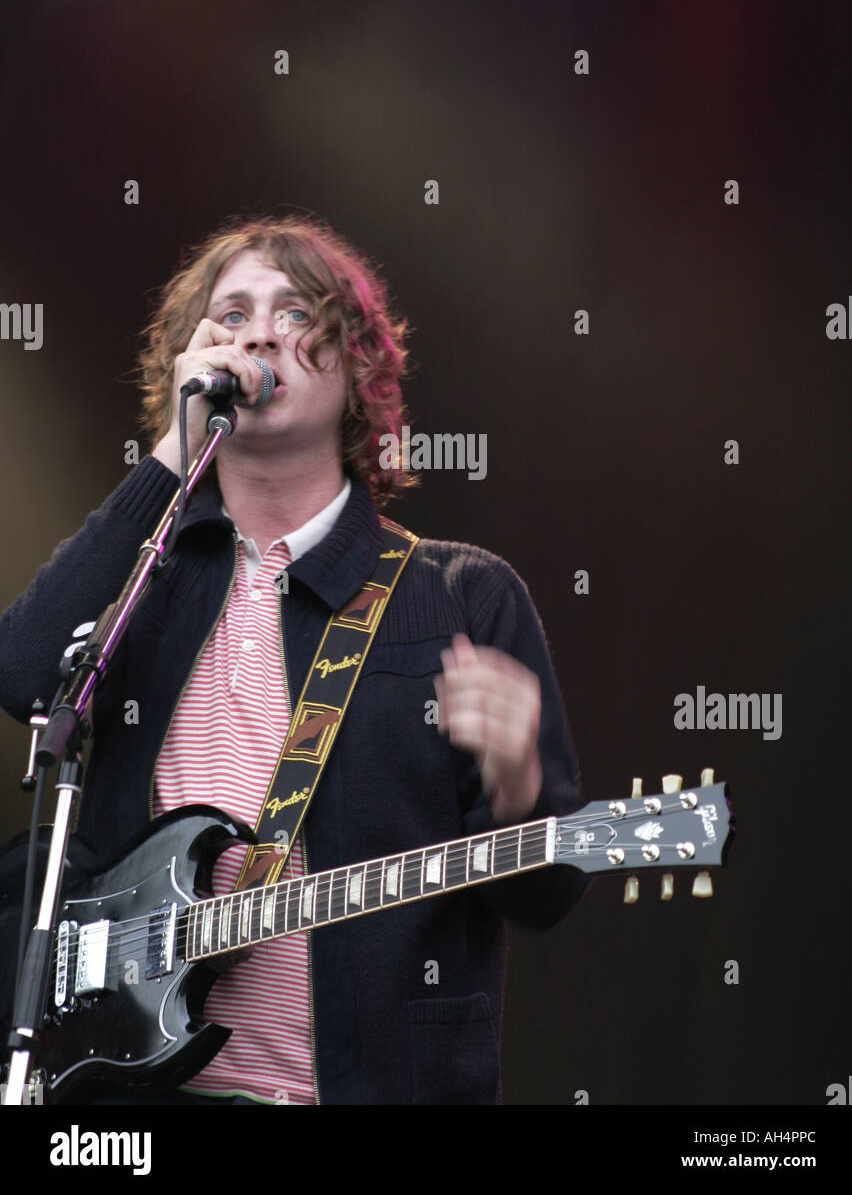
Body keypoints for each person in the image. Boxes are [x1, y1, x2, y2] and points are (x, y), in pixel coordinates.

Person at [0, 213, 586, 1105]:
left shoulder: (461, 597)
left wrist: (515, 787)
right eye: (230, 316)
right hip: (130, 1104)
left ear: (356, 367)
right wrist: (175, 449)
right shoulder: (143, 582)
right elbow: (21, 672)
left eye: (295, 311)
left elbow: (547, 895)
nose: (260, 332)